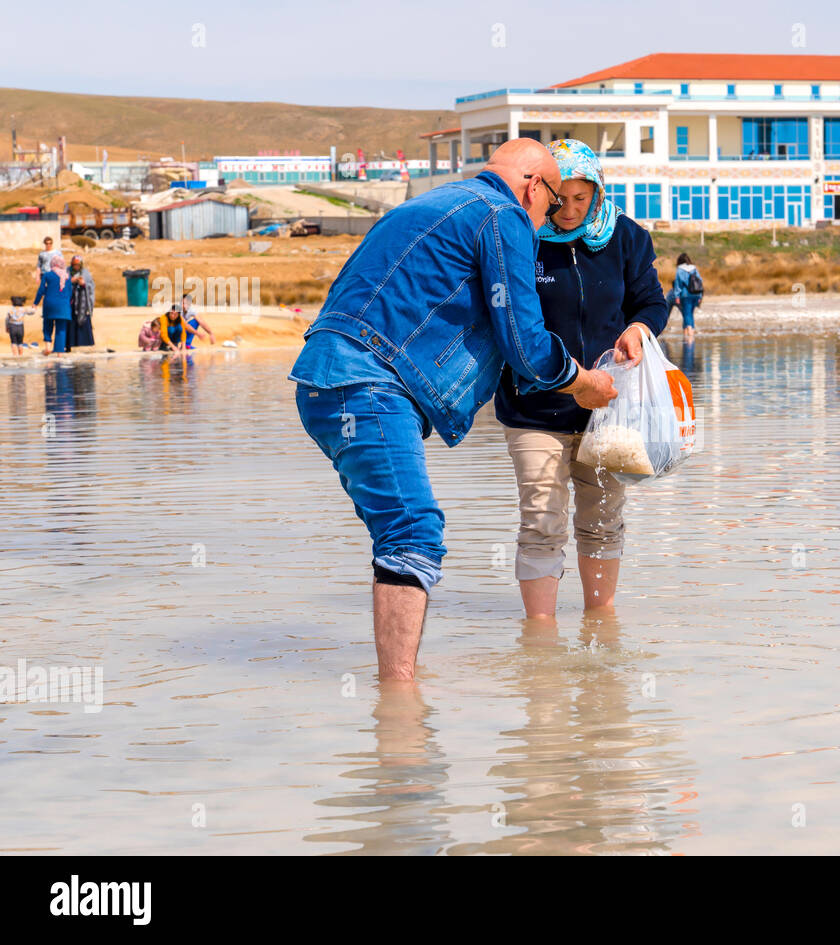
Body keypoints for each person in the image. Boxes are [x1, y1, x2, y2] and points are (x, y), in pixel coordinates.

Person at [289, 137, 617, 682]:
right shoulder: (502, 214)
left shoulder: (424, 206)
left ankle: (398, 698)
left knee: (398, 529)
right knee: (412, 532)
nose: (549, 222)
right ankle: (399, 712)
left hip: (322, 385)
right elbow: (526, 344)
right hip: (368, 386)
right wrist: (582, 382)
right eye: (552, 205)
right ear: (534, 186)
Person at [494, 139, 668, 619]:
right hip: (532, 409)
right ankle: (541, 638)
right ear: (542, 191)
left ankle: (601, 624)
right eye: (559, 198)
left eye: (580, 198)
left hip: (609, 409)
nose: (568, 210)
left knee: (602, 520)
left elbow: (652, 302)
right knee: (541, 522)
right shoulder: (518, 238)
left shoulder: (627, 237)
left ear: (598, 191)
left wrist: (638, 328)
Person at [34, 255, 73, 355]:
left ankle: (47, 347)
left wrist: (35, 303)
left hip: (50, 304)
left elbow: (41, 290)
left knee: (47, 325)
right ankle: (59, 352)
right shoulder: (68, 277)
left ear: (52, 263)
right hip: (64, 306)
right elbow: (70, 292)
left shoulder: (47, 275)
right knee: (61, 328)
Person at [667, 252, 704, 343]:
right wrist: (700, 296)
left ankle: (690, 335)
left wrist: (677, 296)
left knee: (687, 314)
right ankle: (687, 333)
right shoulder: (694, 268)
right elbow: (700, 281)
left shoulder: (680, 270)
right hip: (695, 294)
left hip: (685, 295)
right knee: (690, 314)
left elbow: (678, 285)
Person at [67, 255, 96, 349]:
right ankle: (71, 343)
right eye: (74, 264)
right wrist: (71, 281)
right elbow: (63, 284)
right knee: (71, 324)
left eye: (78, 265)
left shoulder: (85, 273)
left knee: (83, 322)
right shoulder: (67, 272)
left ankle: (85, 344)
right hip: (71, 303)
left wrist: (84, 284)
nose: (76, 266)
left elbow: (91, 286)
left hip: (82, 304)